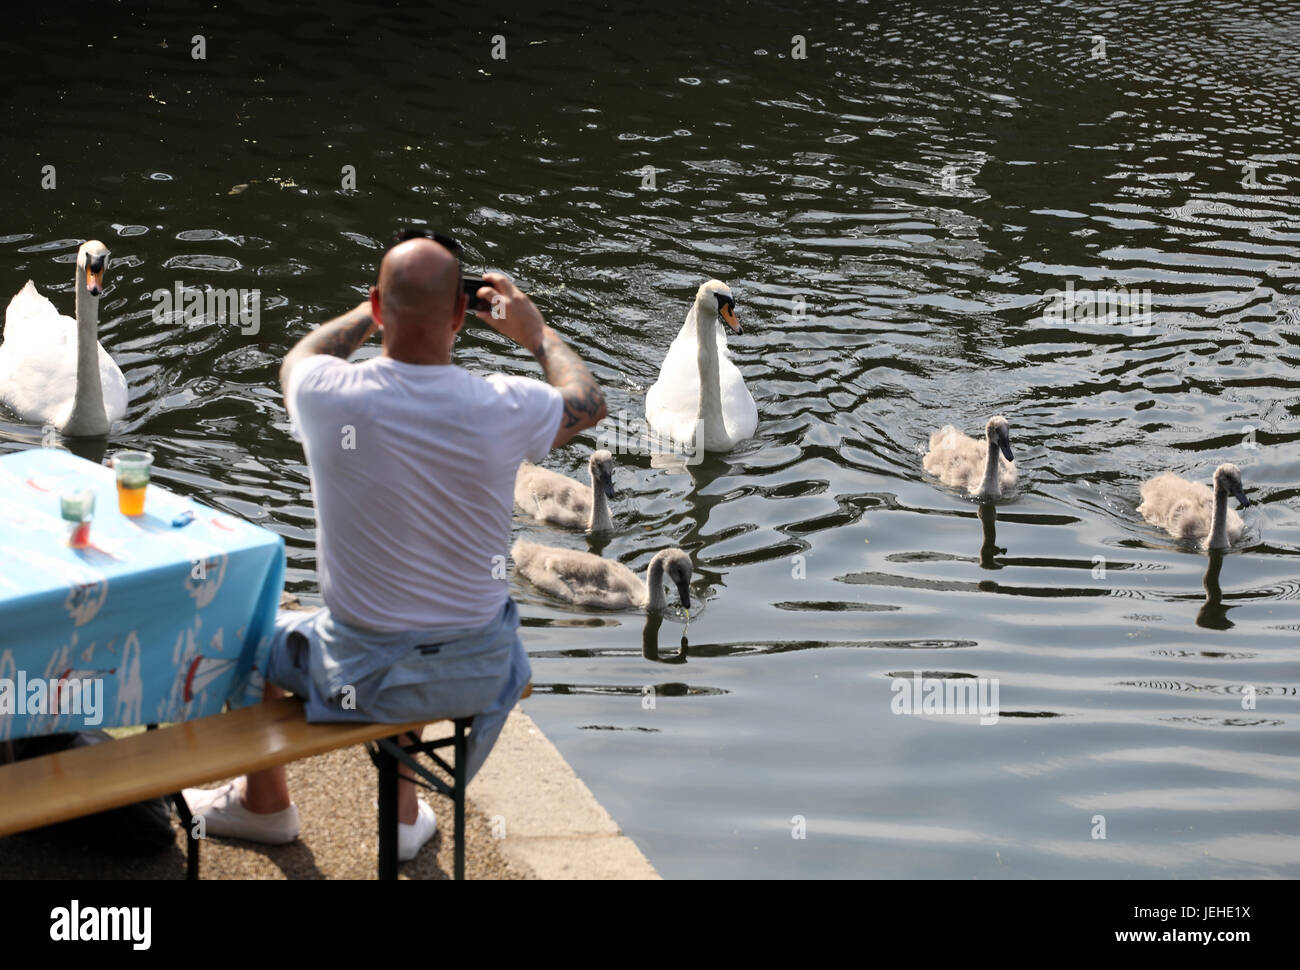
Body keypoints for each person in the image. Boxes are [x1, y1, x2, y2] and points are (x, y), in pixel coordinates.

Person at [183, 233, 606, 861]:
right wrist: (536, 333)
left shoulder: (328, 394)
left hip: (363, 672)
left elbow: (297, 357)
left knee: (247, 632)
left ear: (380, 310)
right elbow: (589, 401)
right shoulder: (505, 404)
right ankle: (405, 815)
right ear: (462, 316)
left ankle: (265, 806)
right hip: (477, 670)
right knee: (416, 624)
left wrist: (365, 308)